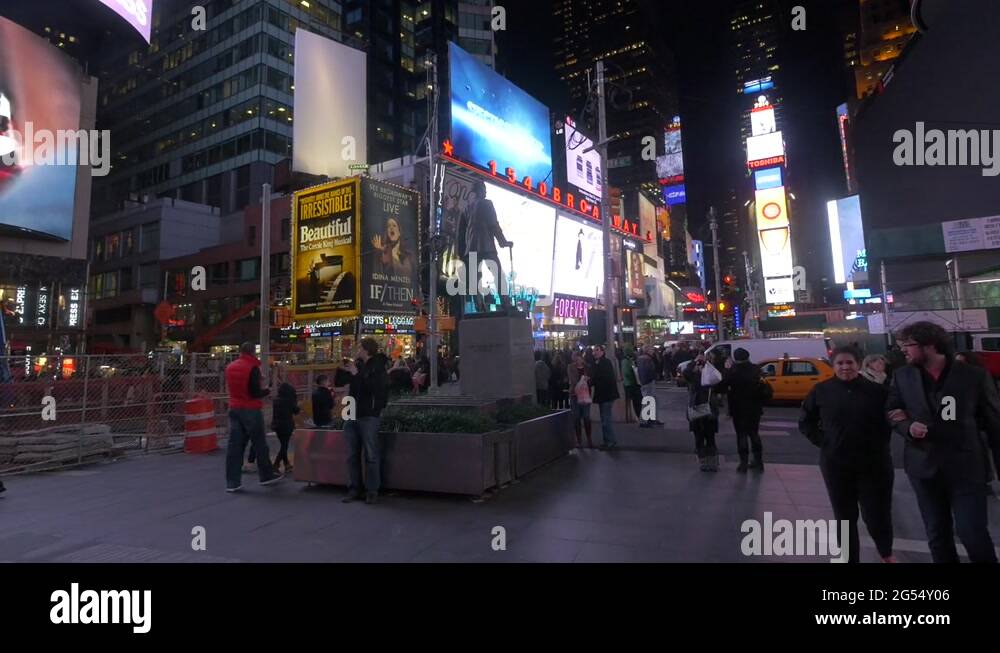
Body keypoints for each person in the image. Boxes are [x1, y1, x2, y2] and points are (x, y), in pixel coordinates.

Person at [886, 322, 1000, 563]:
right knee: (937, 534)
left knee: (972, 532)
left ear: (929, 345)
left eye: (908, 345)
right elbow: (892, 410)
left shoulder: (973, 376)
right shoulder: (902, 375)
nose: (903, 350)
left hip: (967, 468)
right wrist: (907, 427)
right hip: (923, 467)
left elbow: (994, 425)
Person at [799, 346, 895, 563]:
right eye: (840, 363)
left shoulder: (878, 392)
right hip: (836, 464)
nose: (845, 367)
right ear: (833, 366)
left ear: (858, 364)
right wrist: (825, 442)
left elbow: (891, 421)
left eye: (849, 362)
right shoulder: (821, 391)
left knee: (876, 514)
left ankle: (886, 553)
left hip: (874, 464)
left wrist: (879, 443)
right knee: (844, 516)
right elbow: (806, 421)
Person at [224, 342, 283, 492]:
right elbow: (254, 392)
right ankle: (266, 475)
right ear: (253, 352)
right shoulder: (252, 368)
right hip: (251, 409)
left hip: (234, 407)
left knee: (235, 446)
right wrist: (267, 390)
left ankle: (232, 482)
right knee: (259, 443)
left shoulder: (230, 367)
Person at [341, 338, 390, 504]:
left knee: (371, 454)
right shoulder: (357, 365)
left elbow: (373, 388)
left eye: (359, 347)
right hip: (351, 411)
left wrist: (357, 374)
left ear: (366, 349)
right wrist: (345, 370)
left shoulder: (378, 367)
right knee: (352, 454)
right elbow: (341, 382)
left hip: (368, 414)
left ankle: (372, 490)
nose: (357, 350)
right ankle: (354, 488)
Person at [461, 178, 513, 313]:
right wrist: (503, 242)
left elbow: (462, 233)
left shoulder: (466, 208)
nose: (485, 191)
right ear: (479, 190)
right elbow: (493, 225)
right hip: (486, 245)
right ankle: (506, 303)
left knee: (474, 279)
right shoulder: (487, 204)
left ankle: (480, 307)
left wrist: (463, 251)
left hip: (471, 247)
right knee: (498, 274)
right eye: (484, 189)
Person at [719, 347, 768, 472]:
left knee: (741, 435)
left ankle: (743, 463)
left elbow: (722, 385)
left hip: (738, 407)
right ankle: (758, 461)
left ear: (736, 358)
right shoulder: (756, 369)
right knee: (754, 434)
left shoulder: (733, 370)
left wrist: (726, 369)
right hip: (755, 406)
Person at [270, 363, 299, 474]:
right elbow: (296, 411)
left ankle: (287, 464)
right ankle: (276, 464)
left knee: (283, 444)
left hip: (277, 425)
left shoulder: (276, 401)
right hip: (287, 425)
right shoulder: (289, 401)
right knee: (284, 445)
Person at [591, 345, 620, 449]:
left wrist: (591, 381)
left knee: (606, 420)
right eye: (594, 350)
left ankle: (610, 441)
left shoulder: (605, 363)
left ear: (602, 352)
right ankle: (608, 440)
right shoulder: (598, 363)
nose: (594, 352)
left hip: (606, 395)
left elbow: (603, 379)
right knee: (604, 419)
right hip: (604, 395)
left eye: (597, 350)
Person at [568, 355, 595, 448]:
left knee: (586, 417)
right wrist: (582, 380)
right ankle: (579, 440)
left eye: (579, 358)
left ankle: (589, 439)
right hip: (575, 394)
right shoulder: (570, 367)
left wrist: (588, 380)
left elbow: (591, 379)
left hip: (585, 395)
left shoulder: (588, 367)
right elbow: (572, 380)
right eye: (576, 358)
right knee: (576, 418)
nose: (578, 360)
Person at [636, 345, 662, 427]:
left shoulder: (641, 359)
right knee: (649, 400)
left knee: (650, 400)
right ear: (647, 350)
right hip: (648, 382)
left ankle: (650, 419)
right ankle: (645, 421)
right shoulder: (647, 359)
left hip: (645, 381)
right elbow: (650, 370)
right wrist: (654, 377)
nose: (653, 351)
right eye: (651, 349)